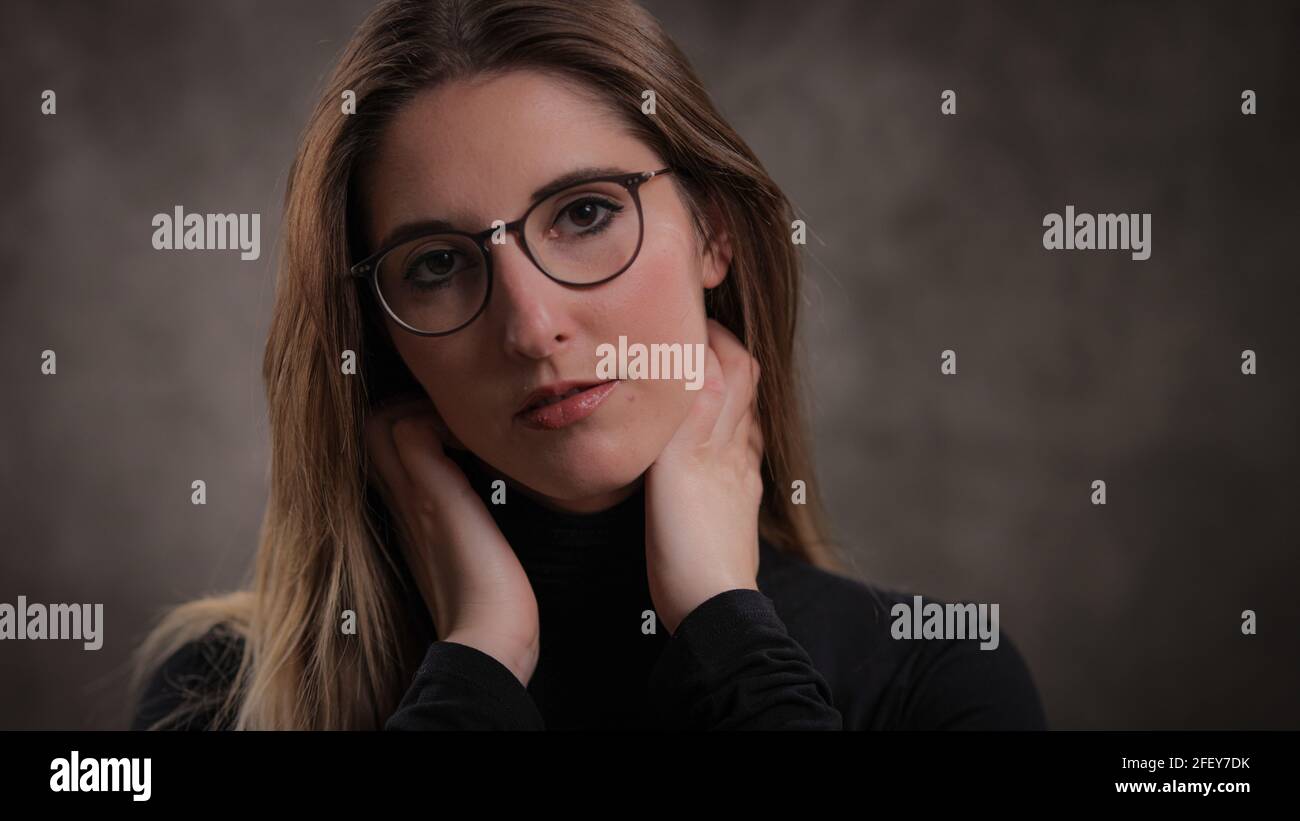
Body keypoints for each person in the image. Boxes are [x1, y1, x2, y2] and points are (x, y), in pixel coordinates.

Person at [131, 0, 1047, 731]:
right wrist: (483, 655)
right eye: (439, 264)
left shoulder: (934, 677)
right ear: (379, 334)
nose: (532, 327)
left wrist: (725, 626)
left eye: (584, 213)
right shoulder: (220, 695)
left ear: (714, 232)